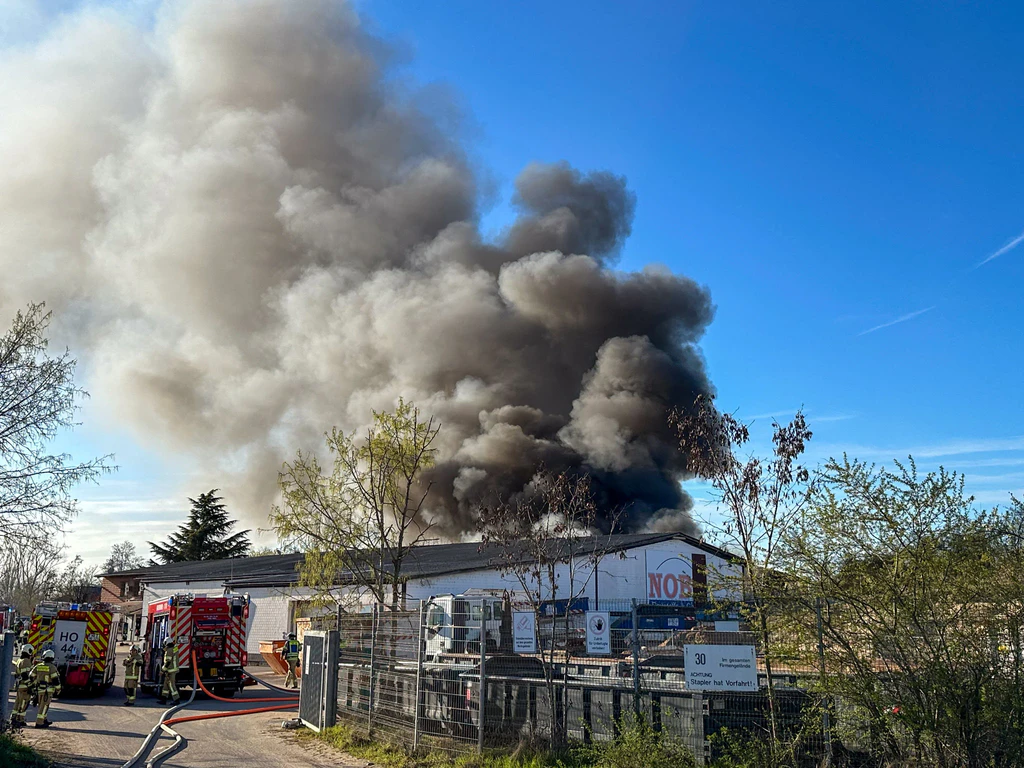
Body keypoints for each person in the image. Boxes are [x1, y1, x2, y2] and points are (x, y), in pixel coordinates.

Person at [32, 649, 61, 729]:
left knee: (42, 705)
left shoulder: (38, 666)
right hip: (47, 691)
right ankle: (39, 723)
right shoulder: (52, 667)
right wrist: (58, 689)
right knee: (44, 706)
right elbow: (55, 680)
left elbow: (31, 676)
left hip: (39, 690)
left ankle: (44, 720)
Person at [11, 643, 35, 728]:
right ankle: (20, 720)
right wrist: (30, 685)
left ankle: (13, 718)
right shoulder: (26, 661)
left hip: (19, 685)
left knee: (17, 703)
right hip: (25, 686)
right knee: (24, 703)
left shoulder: (19, 660)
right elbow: (25, 674)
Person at [157, 637, 180, 705]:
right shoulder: (174, 649)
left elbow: (168, 662)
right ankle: (163, 699)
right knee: (166, 686)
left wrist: (162, 670)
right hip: (171, 670)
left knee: (171, 685)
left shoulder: (169, 650)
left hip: (171, 671)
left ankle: (176, 699)